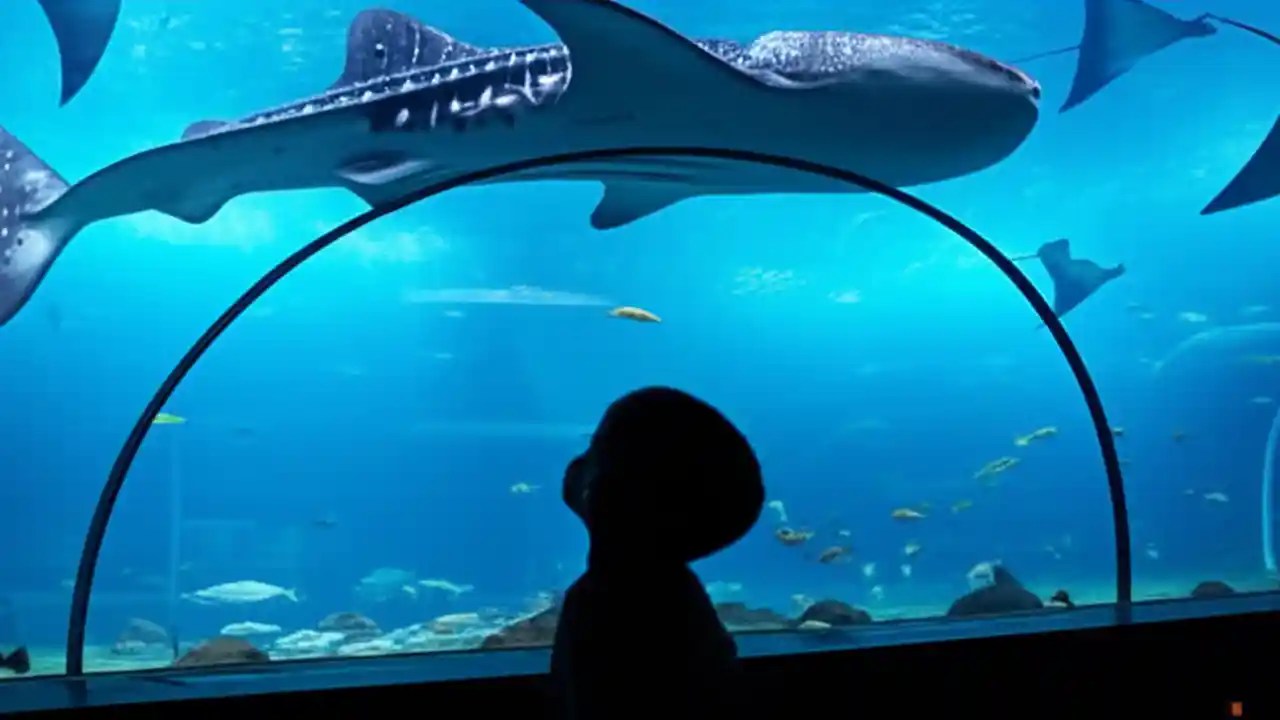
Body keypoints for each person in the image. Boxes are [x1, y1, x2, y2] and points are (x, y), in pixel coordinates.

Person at [549, 386, 765, 719]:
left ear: (609, 491)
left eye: (595, 448)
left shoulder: (608, 600)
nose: (577, 461)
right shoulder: (674, 592)